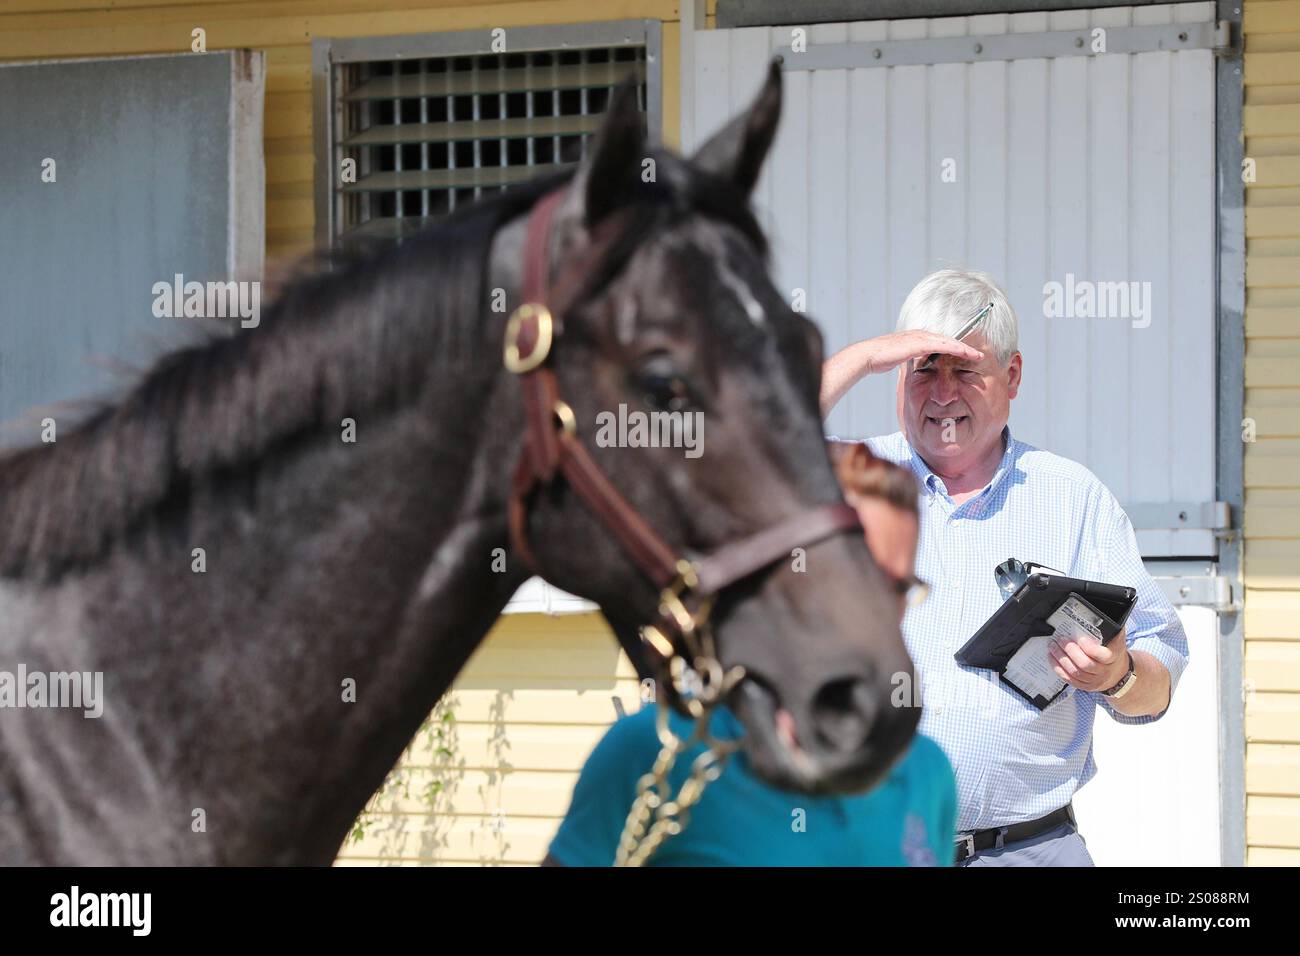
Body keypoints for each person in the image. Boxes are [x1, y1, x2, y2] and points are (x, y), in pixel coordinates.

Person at [822, 269, 1189, 866]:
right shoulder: (852, 479)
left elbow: (1156, 685)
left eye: (964, 370)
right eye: (923, 368)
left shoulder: (1072, 497)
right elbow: (737, 448)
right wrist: (861, 358)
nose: (942, 394)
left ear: (1011, 376)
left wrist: (1116, 674)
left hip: (1030, 850)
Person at [542, 442, 956, 867]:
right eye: (852, 577)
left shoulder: (927, 773)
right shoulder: (652, 754)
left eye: (895, 587)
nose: (874, 611)